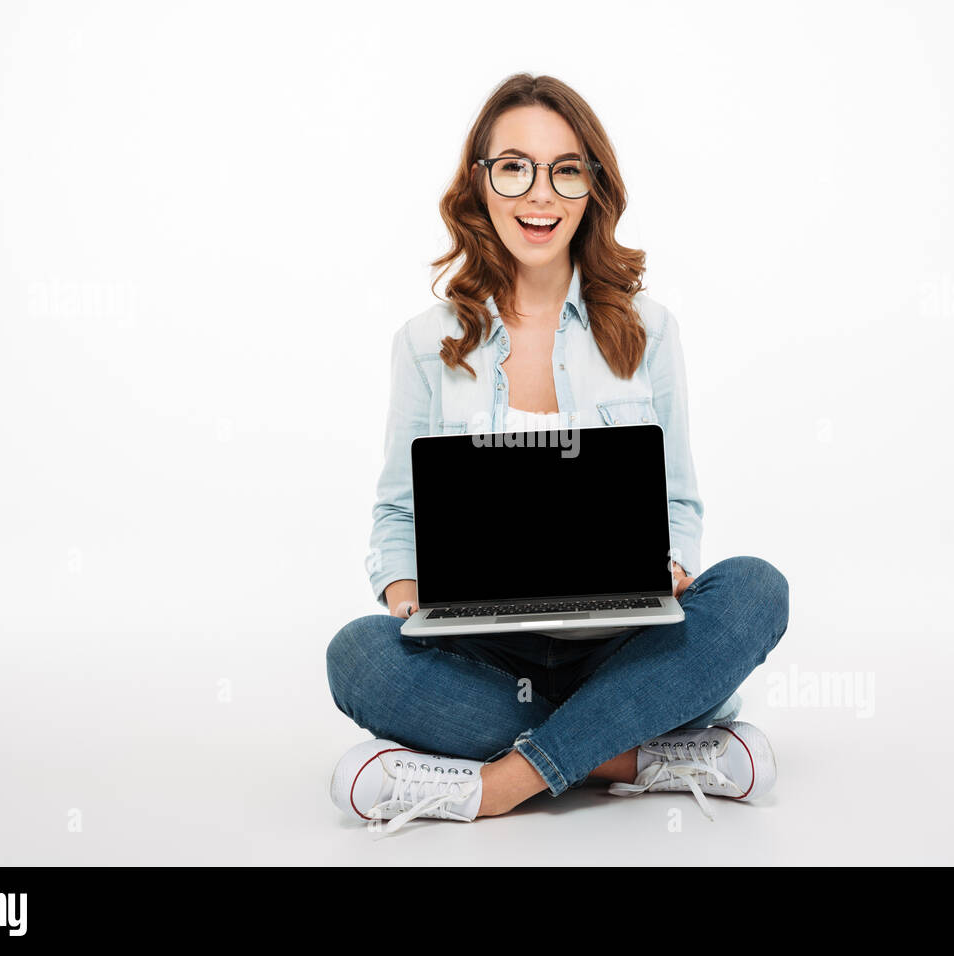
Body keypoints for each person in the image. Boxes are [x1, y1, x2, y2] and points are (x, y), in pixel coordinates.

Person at [326, 73, 789, 834]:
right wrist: (408, 593)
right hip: (487, 660)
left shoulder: (650, 329)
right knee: (359, 656)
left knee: (756, 590)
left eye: (565, 169)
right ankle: (637, 753)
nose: (539, 194)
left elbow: (676, 500)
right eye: (514, 166)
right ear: (479, 183)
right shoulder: (422, 344)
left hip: (626, 648)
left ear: (590, 188)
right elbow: (396, 511)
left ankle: (499, 783)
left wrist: (668, 563)